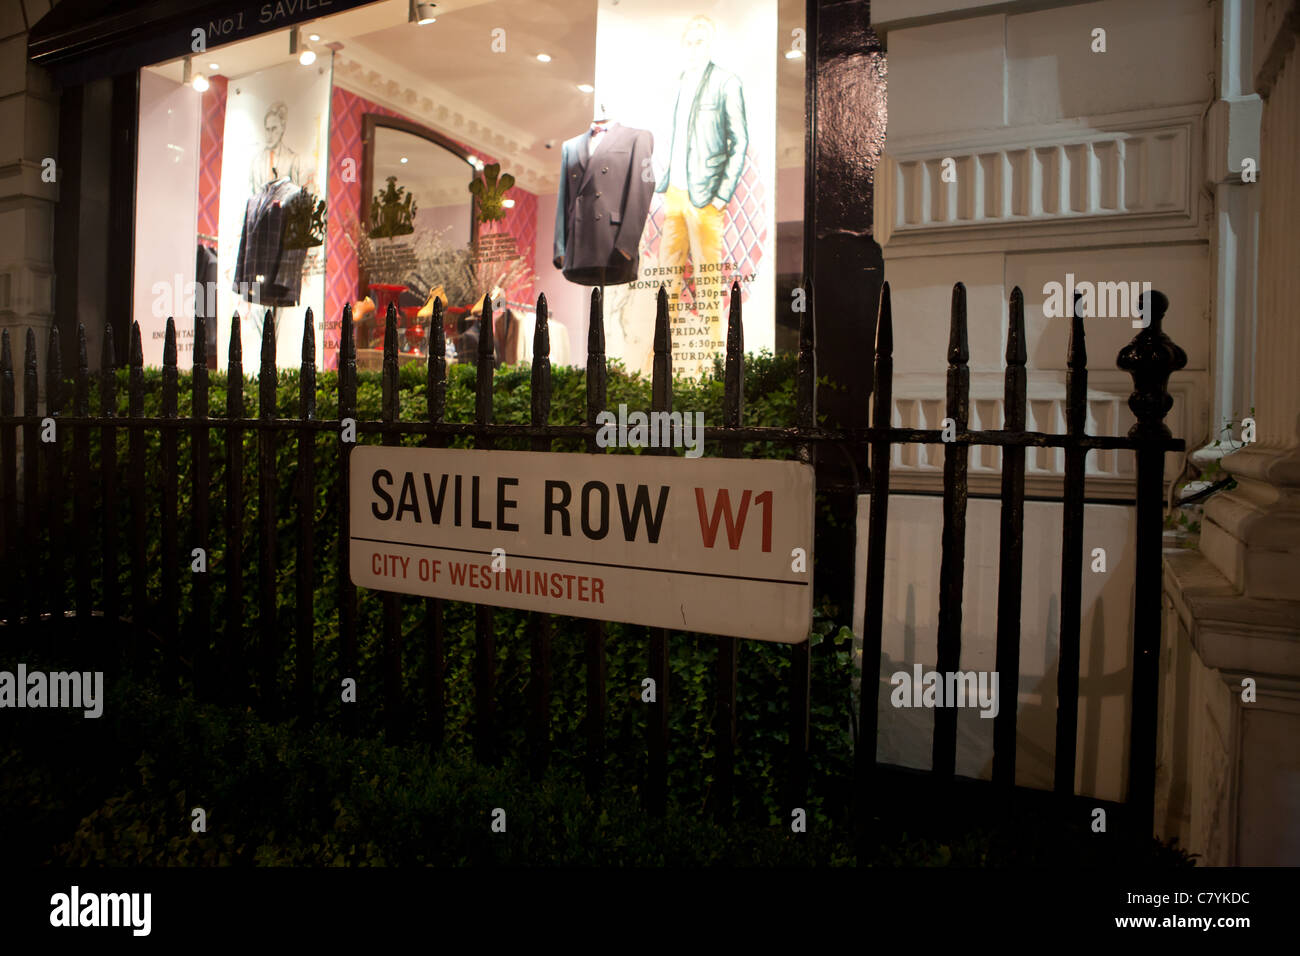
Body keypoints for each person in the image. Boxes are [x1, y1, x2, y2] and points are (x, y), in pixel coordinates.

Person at [655, 15, 748, 354]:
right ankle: (661, 360)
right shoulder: (677, 83)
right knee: (666, 282)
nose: (695, 48)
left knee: (709, 284)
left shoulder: (726, 82)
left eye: (701, 42)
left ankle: (712, 362)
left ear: (710, 45)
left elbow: (739, 141)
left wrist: (722, 196)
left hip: (706, 196)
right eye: (690, 42)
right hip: (675, 193)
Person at [249, 101, 304, 195]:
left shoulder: (292, 159)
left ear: (282, 128)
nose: (270, 135)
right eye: (267, 129)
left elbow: (296, 195)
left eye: (274, 129)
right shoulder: (257, 161)